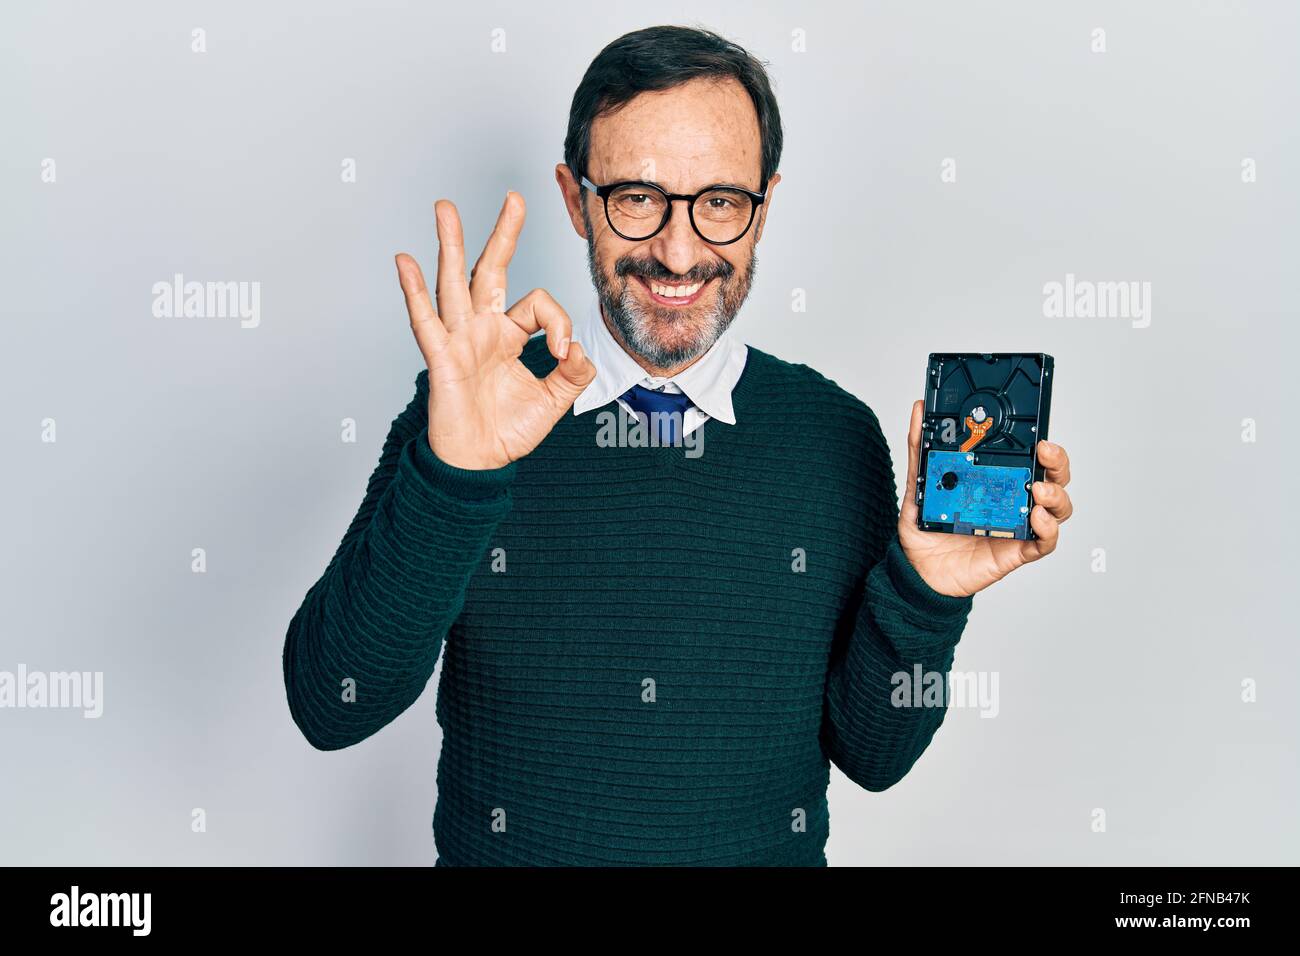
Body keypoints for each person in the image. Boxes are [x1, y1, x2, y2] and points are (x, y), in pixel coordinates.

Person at [282, 24, 1074, 866]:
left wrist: (927, 594)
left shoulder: (833, 435)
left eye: (720, 203)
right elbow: (333, 705)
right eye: (636, 196)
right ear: (575, 198)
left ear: (764, 208)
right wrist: (456, 475)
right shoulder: (470, 409)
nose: (679, 249)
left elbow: (875, 758)